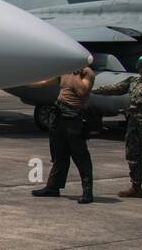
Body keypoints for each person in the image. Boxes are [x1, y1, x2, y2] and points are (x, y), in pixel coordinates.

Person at [93, 53, 142, 203]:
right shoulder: (133, 81)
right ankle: (136, 186)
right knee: (132, 154)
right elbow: (116, 88)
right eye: (140, 67)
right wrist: (93, 90)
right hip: (134, 123)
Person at [31, 65, 97, 203]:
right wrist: (21, 81)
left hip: (74, 118)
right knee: (58, 155)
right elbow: (44, 83)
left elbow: (82, 91)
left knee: (80, 156)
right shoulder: (64, 71)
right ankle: (53, 187)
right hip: (58, 116)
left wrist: (76, 74)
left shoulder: (87, 73)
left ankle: (87, 192)